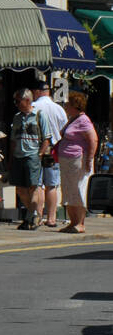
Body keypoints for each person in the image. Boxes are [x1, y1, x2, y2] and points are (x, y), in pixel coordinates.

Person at [9, 89, 57, 231]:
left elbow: (47, 138)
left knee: (33, 187)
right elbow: (13, 139)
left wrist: (40, 154)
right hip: (18, 156)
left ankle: (30, 217)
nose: (16, 104)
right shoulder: (17, 117)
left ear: (28, 101)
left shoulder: (39, 115)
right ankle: (34, 215)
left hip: (32, 156)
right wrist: (11, 158)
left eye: (18, 101)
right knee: (20, 190)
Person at [55, 91, 99, 234]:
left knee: (78, 190)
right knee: (68, 190)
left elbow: (93, 140)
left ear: (75, 105)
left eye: (68, 103)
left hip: (78, 160)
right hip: (67, 160)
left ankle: (80, 223)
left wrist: (89, 159)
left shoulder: (83, 120)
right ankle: (72, 222)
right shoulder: (72, 118)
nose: (65, 105)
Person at [31, 78, 69, 227]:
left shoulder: (33, 106)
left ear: (37, 92)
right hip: (53, 150)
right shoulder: (58, 108)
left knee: (39, 184)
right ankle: (52, 218)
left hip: (37, 150)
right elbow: (65, 130)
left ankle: (38, 216)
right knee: (52, 185)